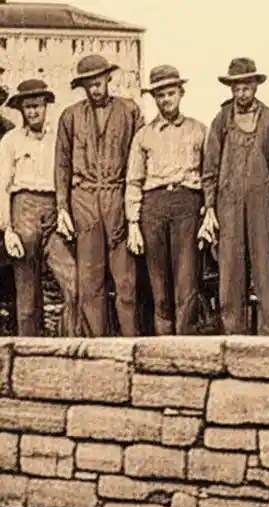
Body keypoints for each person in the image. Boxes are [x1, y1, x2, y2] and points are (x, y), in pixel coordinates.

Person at [55, 54, 144, 337]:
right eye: (89, 85)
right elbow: (62, 164)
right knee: (90, 279)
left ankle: (130, 343)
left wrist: (134, 209)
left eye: (98, 82)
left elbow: (140, 159)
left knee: (125, 279)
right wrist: (62, 207)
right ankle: (96, 344)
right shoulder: (70, 116)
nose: (94, 89)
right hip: (83, 199)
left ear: (108, 79)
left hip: (117, 196)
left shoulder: (129, 111)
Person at [201, 57, 269, 335]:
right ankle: (233, 335)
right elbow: (210, 169)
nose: (241, 93)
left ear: (255, 86)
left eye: (246, 87)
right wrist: (210, 207)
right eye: (236, 88)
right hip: (227, 205)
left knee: (266, 270)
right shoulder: (221, 121)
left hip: (264, 205)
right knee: (230, 271)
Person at [125, 65, 207, 335]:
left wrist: (208, 212)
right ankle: (163, 343)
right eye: (160, 95)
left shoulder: (198, 130)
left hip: (187, 203)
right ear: (154, 98)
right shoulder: (144, 135)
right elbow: (134, 181)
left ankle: (184, 342)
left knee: (187, 278)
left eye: (170, 93)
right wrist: (133, 223)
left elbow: (209, 176)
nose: (166, 100)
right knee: (158, 281)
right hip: (154, 205)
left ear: (181, 93)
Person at [0, 79, 81, 336]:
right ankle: (29, 349)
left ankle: (68, 345)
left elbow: (67, 177)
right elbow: (2, 186)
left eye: (37, 106)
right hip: (22, 208)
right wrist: (7, 229)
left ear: (46, 106)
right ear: (21, 110)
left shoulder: (58, 138)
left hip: (53, 208)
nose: (33, 112)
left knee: (73, 281)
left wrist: (64, 211)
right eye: (28, 107)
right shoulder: (11, 141)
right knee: (27, 292)